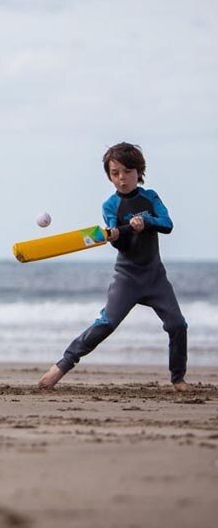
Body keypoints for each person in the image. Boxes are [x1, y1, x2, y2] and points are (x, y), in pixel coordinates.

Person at [39, 142, 191, 392]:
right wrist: (116, 235)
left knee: (178, 325)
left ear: (138, 171)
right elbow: (118, 243)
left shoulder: (150, 197)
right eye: (115, 173)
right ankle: (61, 366)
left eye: (127, 171)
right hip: (127, 278)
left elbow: (167, 224)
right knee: (106, 324)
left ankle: (178, 378)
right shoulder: (110, 205)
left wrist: (146, 221)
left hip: (154, 276)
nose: (122, 179)